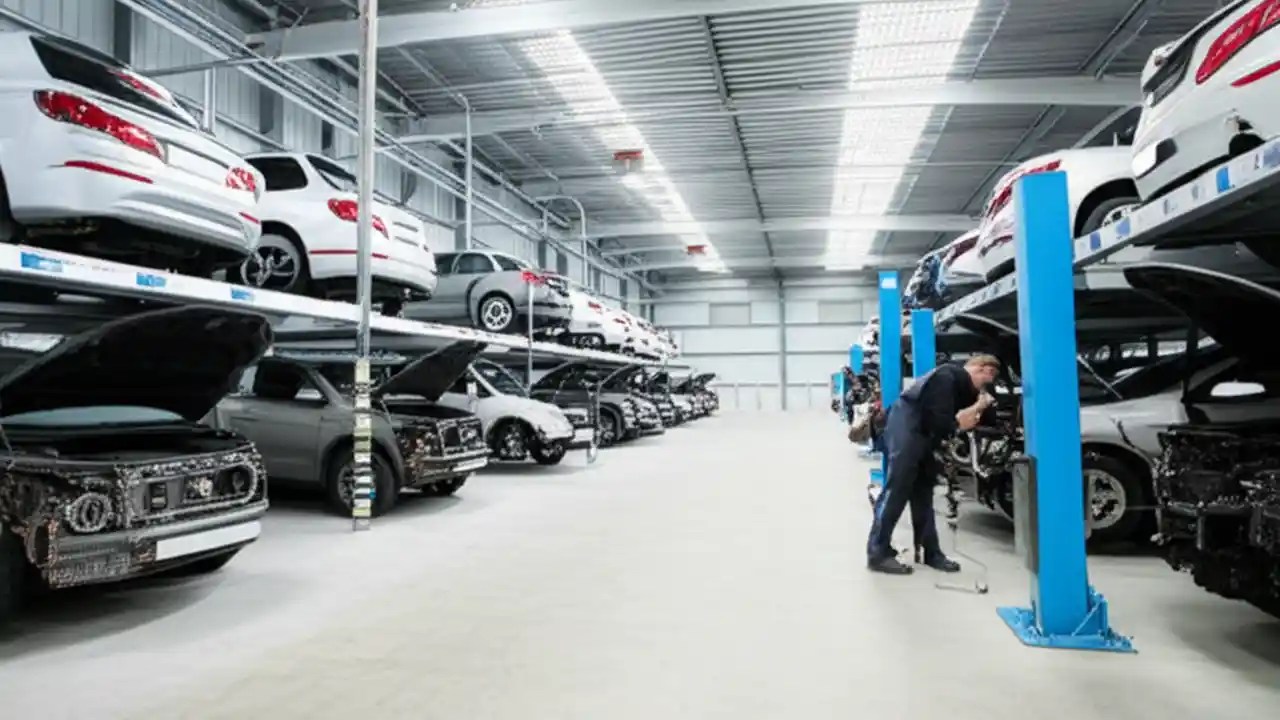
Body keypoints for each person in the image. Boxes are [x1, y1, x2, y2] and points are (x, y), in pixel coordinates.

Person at [866, 354, 1001, 575]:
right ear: (981, 369)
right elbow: (940, 420)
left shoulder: (964, 389)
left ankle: (930, 552)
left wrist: (983, 404)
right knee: (897, 489)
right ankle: (877, 553)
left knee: (923, 494)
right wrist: (961, 420)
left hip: (923, 436)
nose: (988, 384)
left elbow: (986, 421)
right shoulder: (947, 376)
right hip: (907, 430)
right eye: (990, 377)